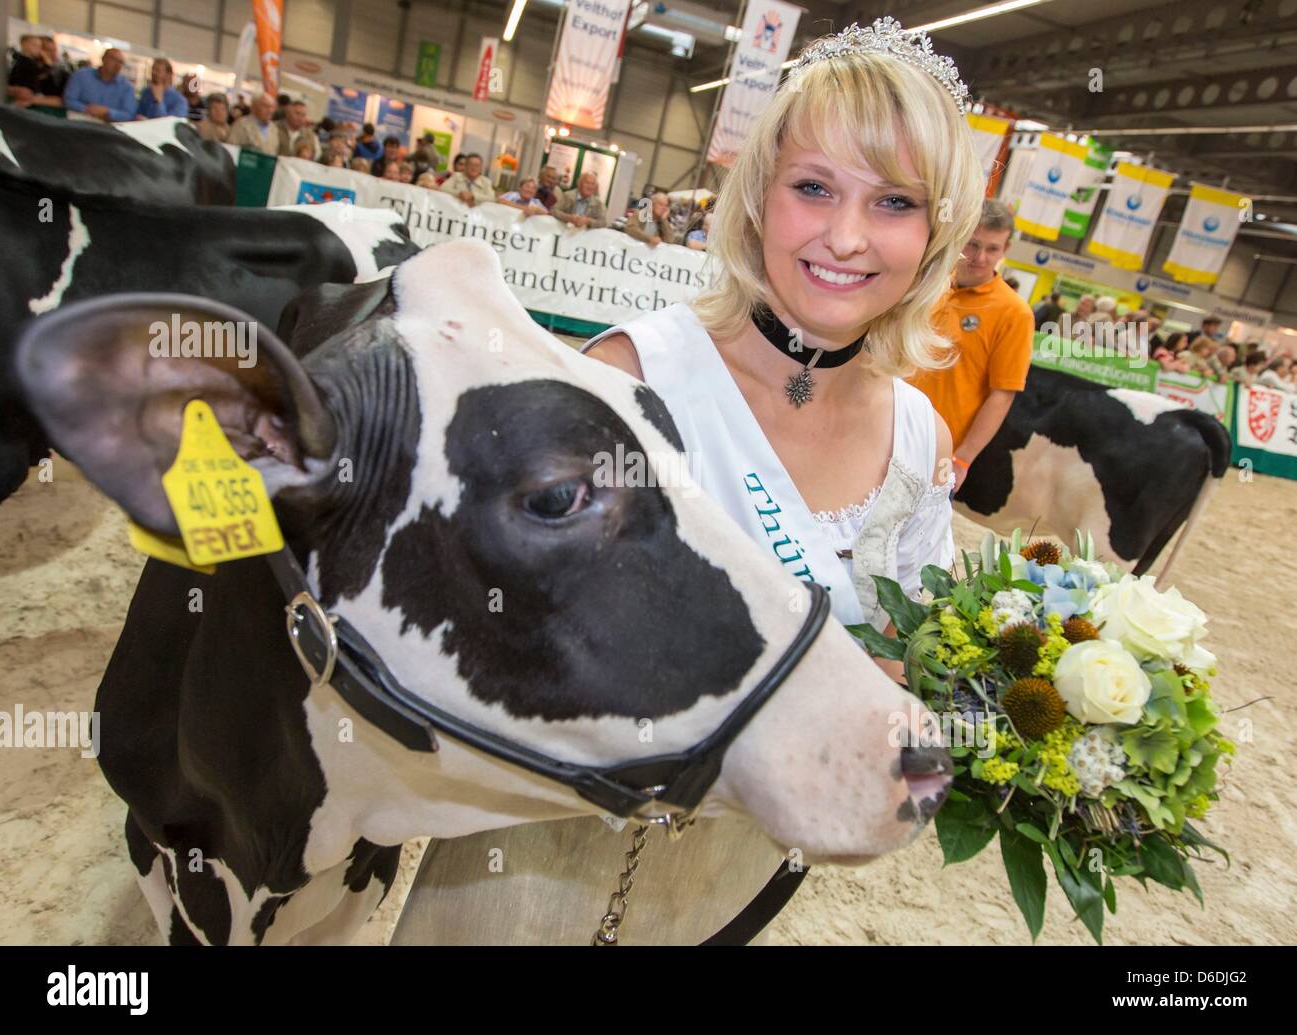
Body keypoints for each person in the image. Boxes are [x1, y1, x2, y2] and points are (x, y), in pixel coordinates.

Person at [387, 20, 984, 947]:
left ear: (936, 231)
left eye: (895, 201)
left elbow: (918, 657)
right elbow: (499, 636)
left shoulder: (919, 438)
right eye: (814, 187)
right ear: (759, 196)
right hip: (545, 871)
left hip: (739, 880)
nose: (846, 237)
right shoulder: (634, 378)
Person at [908, 198, 1034, 491]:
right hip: (886, 430)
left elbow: (1003, 393)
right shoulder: (929, 283)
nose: (980, 257)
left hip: (936, 453)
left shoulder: (1014, 313)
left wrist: (962, 459)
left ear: (1005, 250)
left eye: (993, 249)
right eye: (974, 244)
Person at [63, 47, 137, 123]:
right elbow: (69, 100)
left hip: (109, 126)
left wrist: (108, 112)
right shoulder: (81, 75)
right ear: (103, 58)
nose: (117, 65)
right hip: (79, 122)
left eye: (121, 62)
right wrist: (86, 109)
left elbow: (129, 114)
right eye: (114, 59)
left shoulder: (127, 87)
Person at [7, 33, 64, 110]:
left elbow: (61, 100)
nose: (53, 54)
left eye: (55, 50)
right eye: (48, 50)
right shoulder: (27, 65)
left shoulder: (58, 72)